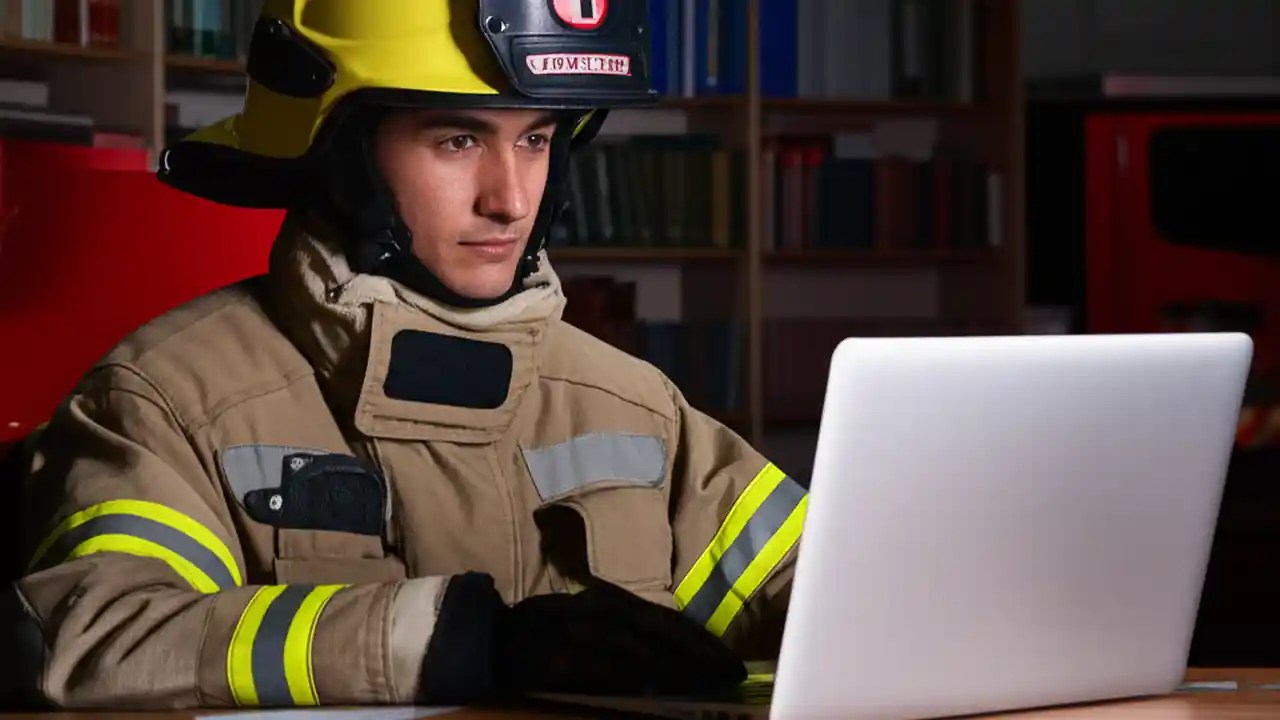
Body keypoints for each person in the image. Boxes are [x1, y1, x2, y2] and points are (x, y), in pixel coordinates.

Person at [6, 0, 807, 710]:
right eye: (458, 140)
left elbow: (839, 588)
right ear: (342, 155)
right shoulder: (168, 398)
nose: (511, 199)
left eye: (535, 140)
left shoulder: (632, 403)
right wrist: (453, 641)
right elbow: (97, 637)